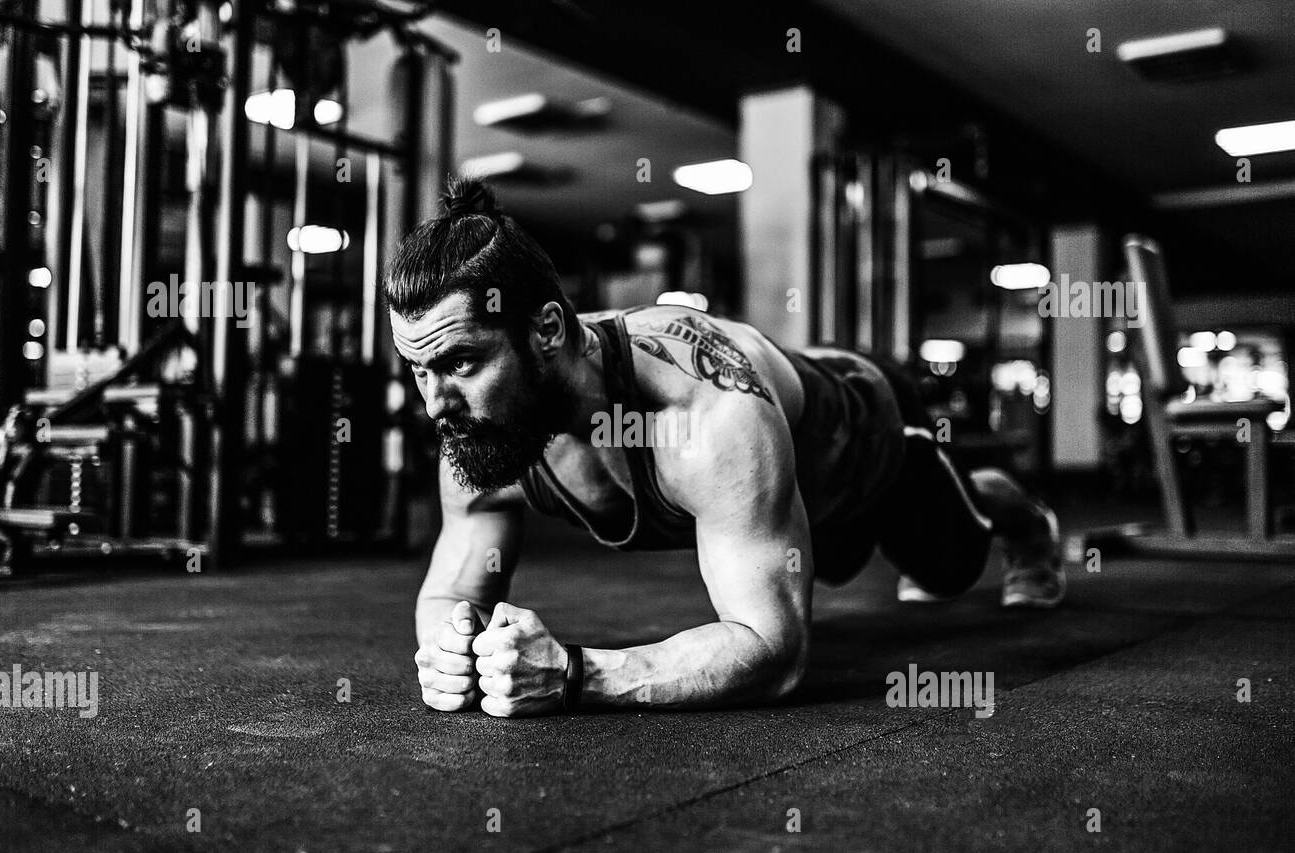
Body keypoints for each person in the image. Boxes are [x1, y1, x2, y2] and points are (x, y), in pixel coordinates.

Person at [387, 177, 1065, 718]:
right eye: (418, 370)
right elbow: (451, 590)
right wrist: (449, 652)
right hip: (782, 500)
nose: (434, 404)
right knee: (816, 559)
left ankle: (1023, 519)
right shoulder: (481, 429)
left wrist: (573, 674)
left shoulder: (707, 407)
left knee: (946, 567)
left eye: (460, 363)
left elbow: (775, 651)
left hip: (863, 439)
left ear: (547, 331)